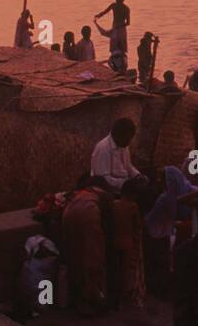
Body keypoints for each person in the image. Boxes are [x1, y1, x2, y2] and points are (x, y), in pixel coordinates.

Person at [62, 178, 110, 314]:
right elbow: (107, 222)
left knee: (73, 255)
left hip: (68, 213)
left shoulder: (80, 192)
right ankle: (93, 300)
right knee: (93, 259)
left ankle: (77, 300)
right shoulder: (104, 195)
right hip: (89, 214)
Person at [111, 180, 146, 308]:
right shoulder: (132, 206)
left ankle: (116, 298)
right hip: (128, 243)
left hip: (114, 241)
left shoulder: (113, 204)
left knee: (117, 271)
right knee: (127, 272)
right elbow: (137, 226)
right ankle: (127, 297)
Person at [90, 118, 141, 191]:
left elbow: (128, 167)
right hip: (108, 191)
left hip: (123, 188)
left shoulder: (123, 145)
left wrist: (137, 175)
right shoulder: (103, 148)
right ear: (118, 135)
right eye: (127, 138)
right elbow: (102, 179)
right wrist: (124, 184)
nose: (129, 141)